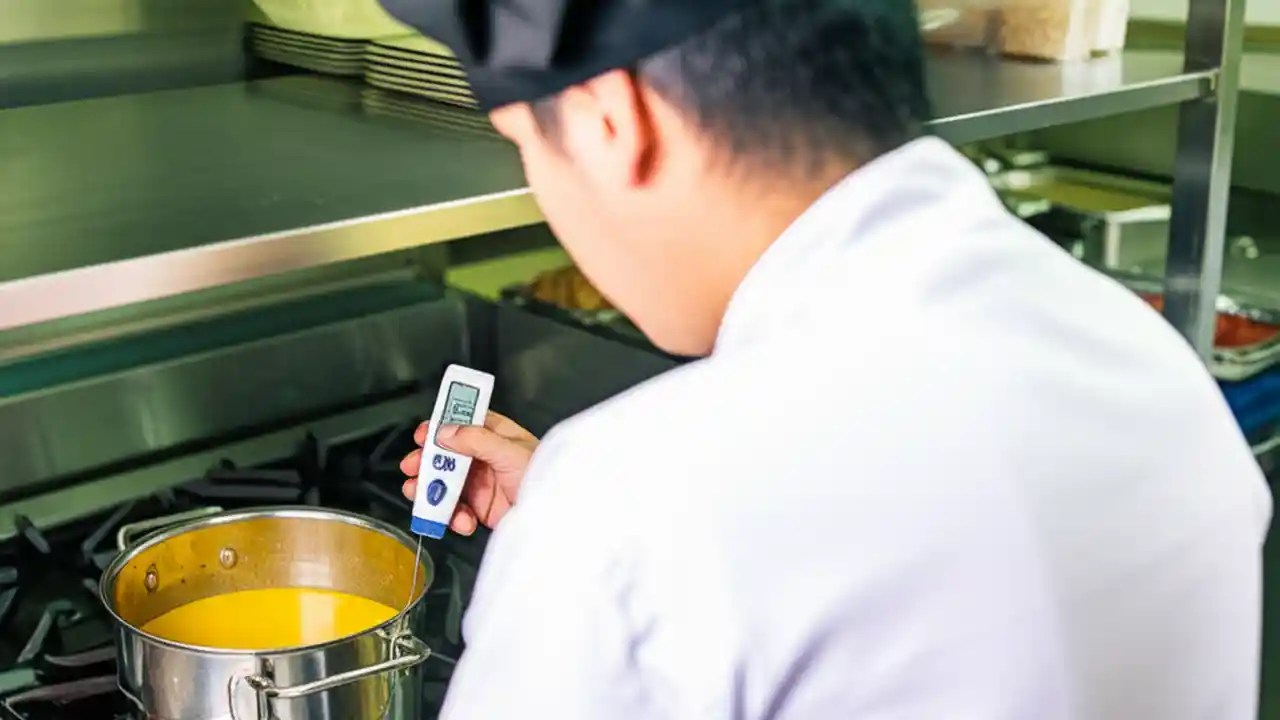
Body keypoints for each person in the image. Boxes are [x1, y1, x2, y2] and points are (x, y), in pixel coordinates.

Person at [383, 0, 1273, 717]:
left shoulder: (633, 510)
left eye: (527, 146)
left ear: (610, 121)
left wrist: (586, 554)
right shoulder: (1146, 363)